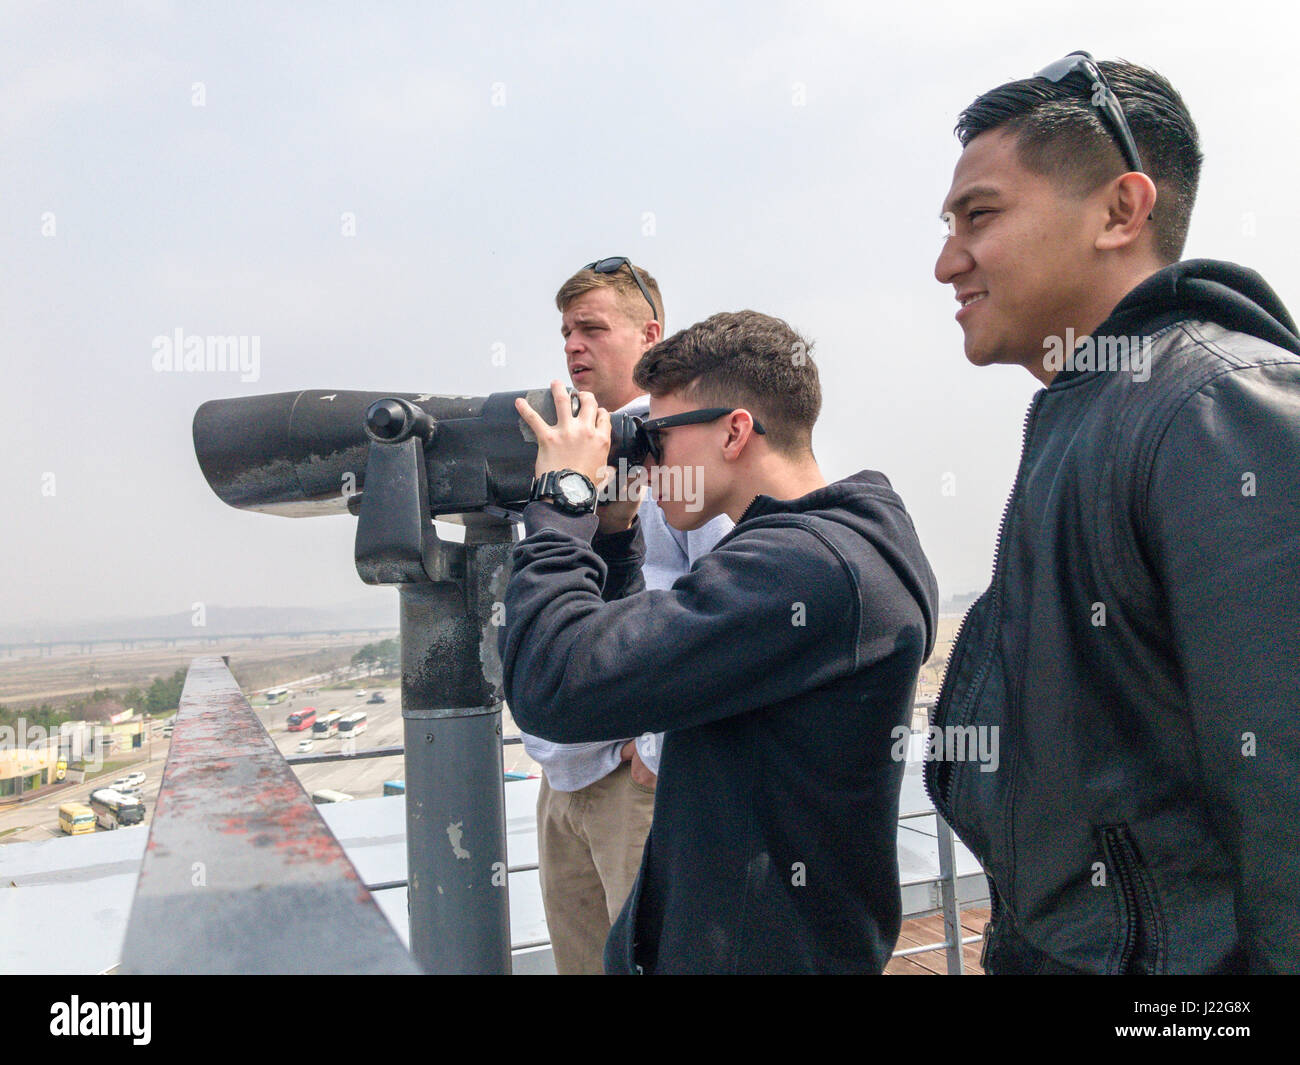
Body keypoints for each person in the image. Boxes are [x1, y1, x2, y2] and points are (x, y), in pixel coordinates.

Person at [930, 52, 1300, 974]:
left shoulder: (1214, 407)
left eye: (980, 215)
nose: (946, 262)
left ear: (1120, 211)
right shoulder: (1092, 412)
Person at [500, 310, 939, 973]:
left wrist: (562, 500)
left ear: (735, 431)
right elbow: (636, 673)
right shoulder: (834, 545)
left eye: (655, 435)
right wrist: (615, 536)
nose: (648, 458)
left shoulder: (801, 570)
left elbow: (554, 685)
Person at [518, 258, 731, 975]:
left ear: (651, 333)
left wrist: (658, 744)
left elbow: (724, 600)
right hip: (565, 774)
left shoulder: (678, 448)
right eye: (566, 331)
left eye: (592, 328)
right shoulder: (575, 448)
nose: (573, 346)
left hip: (632, 776)